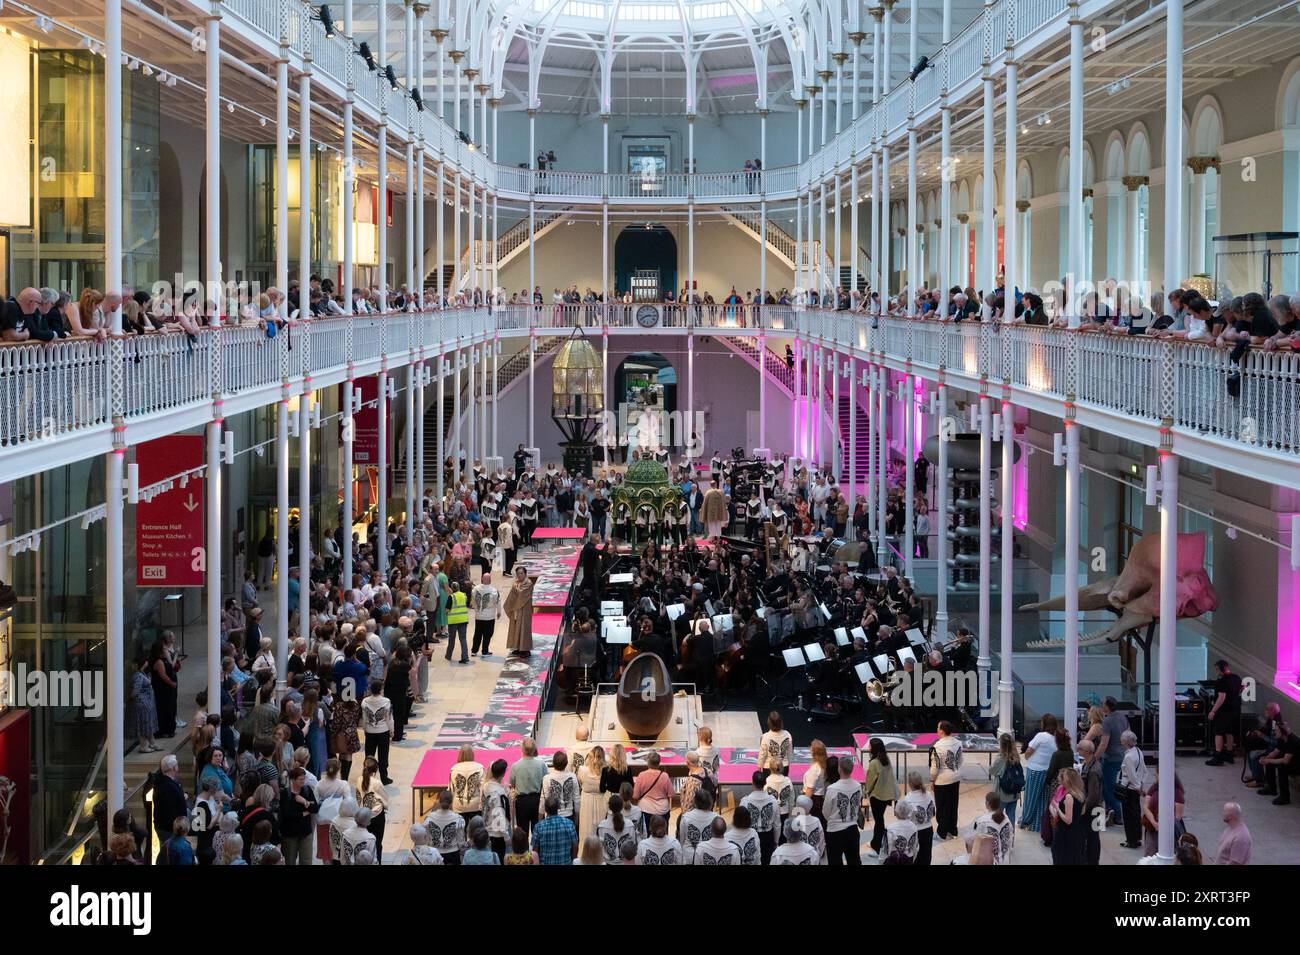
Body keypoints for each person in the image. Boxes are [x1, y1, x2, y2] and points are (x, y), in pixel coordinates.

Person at [1020, 714, 1059, 831]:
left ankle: (1026, 821)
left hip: (1035, 771)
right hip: (1047, 772)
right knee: (1042, 800)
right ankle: (1038, 825)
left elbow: (1028, 751)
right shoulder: (1055, 739)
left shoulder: (1041, 736)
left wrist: (1027, 757)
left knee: (1030, 798)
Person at [824, 756, 863, 866]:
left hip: (835, 832)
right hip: (852, 829)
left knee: (835, 861)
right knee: (854, 860)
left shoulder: (832, 789)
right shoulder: (858, 786)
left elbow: (826, 812)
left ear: (839, 769)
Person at [1205, 659, 1244, 766]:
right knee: (1229, 732)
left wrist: (1213, 711)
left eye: (1217, 668)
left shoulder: (1221, 681)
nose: (1216, 671)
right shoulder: (1236, 677)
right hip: (1235, 709)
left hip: (1225, 710)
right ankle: (1229, 754)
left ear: (1221, 668)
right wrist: (1234, 695)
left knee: (1218, 732)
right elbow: (1242, 688)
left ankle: (1218, 757)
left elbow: (1221, 698)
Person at [864, 737, 897, 857]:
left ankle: (878, 846)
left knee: (879, 821)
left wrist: (867, 792)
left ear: (873, 748)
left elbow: (870, 781)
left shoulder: (874, 763)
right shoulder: (886, 759)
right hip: (887, 795)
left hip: (877, 796)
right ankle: (877, 842)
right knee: (880, 819)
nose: (868, 748)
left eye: (869, 746)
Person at [929, 720, 963, 839]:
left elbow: (935, 767)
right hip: (956, 777)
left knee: (942, 806)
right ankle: (953, 830)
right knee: (953, 805)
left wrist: (932, 780)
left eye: (938, 728)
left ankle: (942, 832)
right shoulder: (958, 743)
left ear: (942, 731)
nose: (937, 730)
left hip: (942, 781)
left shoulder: (937, 747)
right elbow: (960, 759)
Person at [1048, 767, 1088, 865]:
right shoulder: (1081, 794)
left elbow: (1068, 820)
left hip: (1066, 833)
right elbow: (1082, 812)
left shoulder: (1069, 796)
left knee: (1061, 857)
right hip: (1077, 832)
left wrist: (1057, 808)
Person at [509, 737, 547, 835]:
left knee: (522, 833)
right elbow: (545, 780)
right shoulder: (541, 764)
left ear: (522, 749)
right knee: (537, 832)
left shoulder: (515, 766)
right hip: (536, 800)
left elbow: (512, 783)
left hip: (522, 802)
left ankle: (524, 849)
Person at [1116, 731, 1147, 849]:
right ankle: (1137, 838)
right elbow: (1144, 771)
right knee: (1136, 813)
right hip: (1135, 788)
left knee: (1128, 815)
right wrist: (1141, 784)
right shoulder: (1138, 751)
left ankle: (1131, 840)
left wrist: (1138, 787)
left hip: (1129, 789)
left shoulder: (1128, 757)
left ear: (1125, 742)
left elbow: (1131, 775)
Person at [740, 770, 779, 864]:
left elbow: (741, 824)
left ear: (752, 783)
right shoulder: (773, 801)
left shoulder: (745, 802)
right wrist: (776, 841)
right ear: (765, 783)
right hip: (768, 837)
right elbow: (777, 824)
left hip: (750, 836)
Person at [360, 678, 394, 785]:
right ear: (381, 689)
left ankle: (367, 777)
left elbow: (364, 719)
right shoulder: (386, 702)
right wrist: (392, 730)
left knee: (369, 755)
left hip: (370, 732)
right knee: (383, 755)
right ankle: (384, 778)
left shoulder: (365, 701)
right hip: (383, 731)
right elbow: (389, 718)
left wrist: (365, 729)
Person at [1257, 719, 1299, 805]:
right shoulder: (1281, 739)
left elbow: (1285, 760)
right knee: (1270, 763)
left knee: (1282, 768)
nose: (1274, 732)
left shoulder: (1293, 741)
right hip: (1291, 761)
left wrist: (1269, 760)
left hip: (1297, 764)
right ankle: (1271, 789)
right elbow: (1276, 751)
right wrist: (1266, 758)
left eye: (1276, 730)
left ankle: (1285, 797)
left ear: (1283, 732)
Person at [631, 751, 674, 830]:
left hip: (646, 809)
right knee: (663, 833)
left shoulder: (642, 775)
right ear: (659, 763)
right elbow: (671, 794)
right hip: (662, 810)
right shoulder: (664, 776)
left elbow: (635, 796)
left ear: (648, 762)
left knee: (646, 833)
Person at [989, 732, 1024, 829]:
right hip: (1014, 793)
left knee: (997, 816)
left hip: (1002, 794)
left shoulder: (1000, 759)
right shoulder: (1016, 757)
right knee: (1011, 816)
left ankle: (997, 837)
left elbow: (991, 770)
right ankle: (1010, 838)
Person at [531, 794, 577, 864]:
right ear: (558, 807)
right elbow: (575, 846)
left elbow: (535, 851)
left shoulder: (538, 827)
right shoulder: (569, 824)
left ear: (545, 809)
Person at [424, 789, 467, 864]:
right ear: (451, 803)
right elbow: (461, 841)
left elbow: (427, 840)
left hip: (435, 854)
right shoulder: (458, 819)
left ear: (439, 802)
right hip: (453, 855)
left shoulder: (429, 818)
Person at [449, 744, 486, 824]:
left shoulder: (453, 769)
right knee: (477, 831)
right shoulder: (480, 768)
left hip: (459, 805)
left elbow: (452, 790)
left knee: (461, 831)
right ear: (472, 754)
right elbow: (483, 789)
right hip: (475, 805)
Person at [504, 564, 535, 656]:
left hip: (524, 609)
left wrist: (515, 588)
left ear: (525, 574)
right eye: (518, 573)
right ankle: (518, 647)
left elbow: (521, 594)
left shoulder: (528, 583)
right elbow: (512, 596)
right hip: (516, 609)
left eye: (521, 573)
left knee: (523, 628)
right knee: (516, 627)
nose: (519, 575)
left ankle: (525, 649)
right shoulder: (516, 583)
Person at [470, 573, 501, 656]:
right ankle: (485, 651)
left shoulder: (475, 589)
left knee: (477, 633)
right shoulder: (494, 591)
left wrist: (475, 608)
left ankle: (474, 650)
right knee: (488, 634)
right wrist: (499, 612)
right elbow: (498, 601)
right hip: (489, 617)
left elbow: (472, 602)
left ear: (481, 579)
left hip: (479, 616)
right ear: (490, 580)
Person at [444, 580, 470, 664]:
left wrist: (446, 614)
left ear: (452, 588)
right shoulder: (464, 595)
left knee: (452, 639)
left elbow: (447, 610)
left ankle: (448, 656)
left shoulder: (451, 597)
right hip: (463, 620)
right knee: (463, 639)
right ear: (458, 587)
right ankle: (465, 657)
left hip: (453, 621)